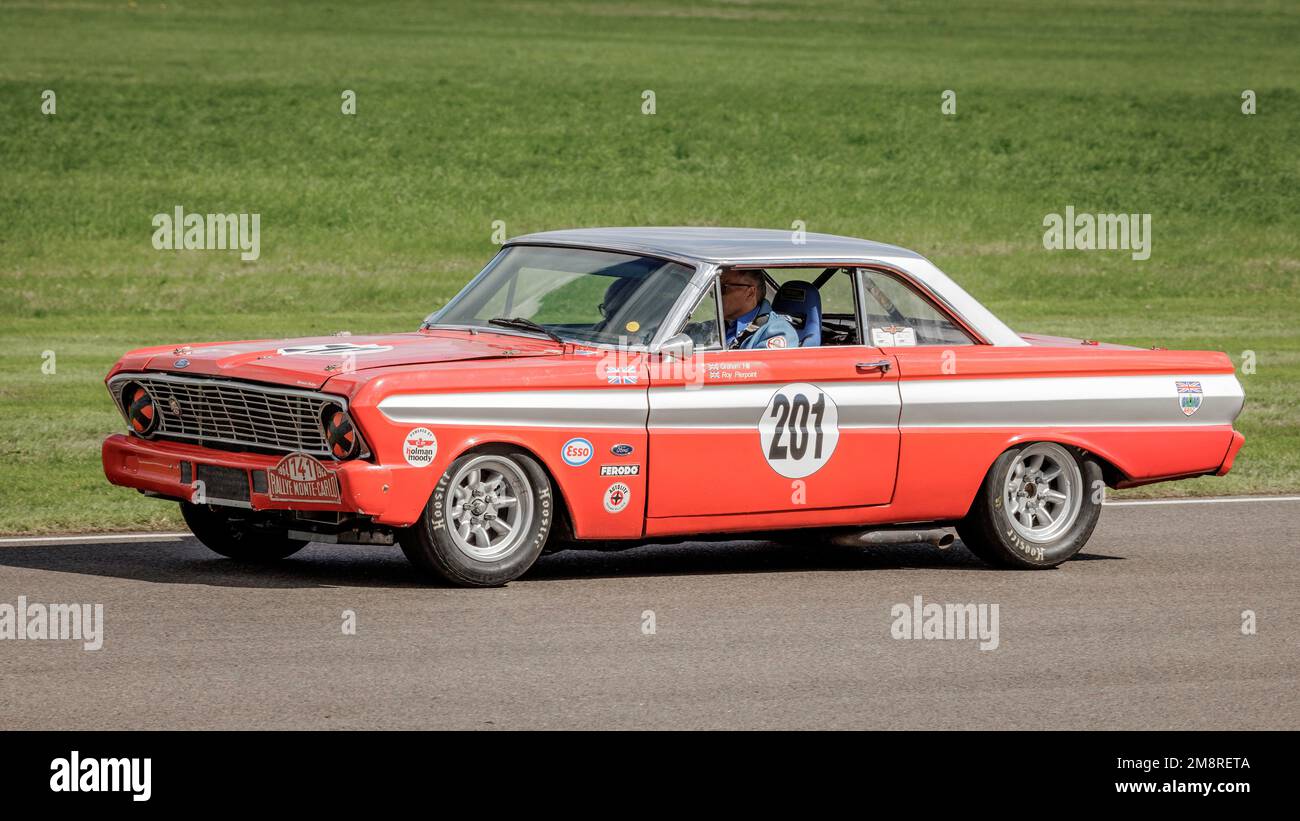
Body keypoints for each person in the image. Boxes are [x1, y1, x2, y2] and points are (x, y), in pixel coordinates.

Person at [720, 269, 799, 350]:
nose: (715, 294)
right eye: (716, 287)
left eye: (723, 288)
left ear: (750, 293)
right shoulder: (713, 327)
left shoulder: (778, 332)